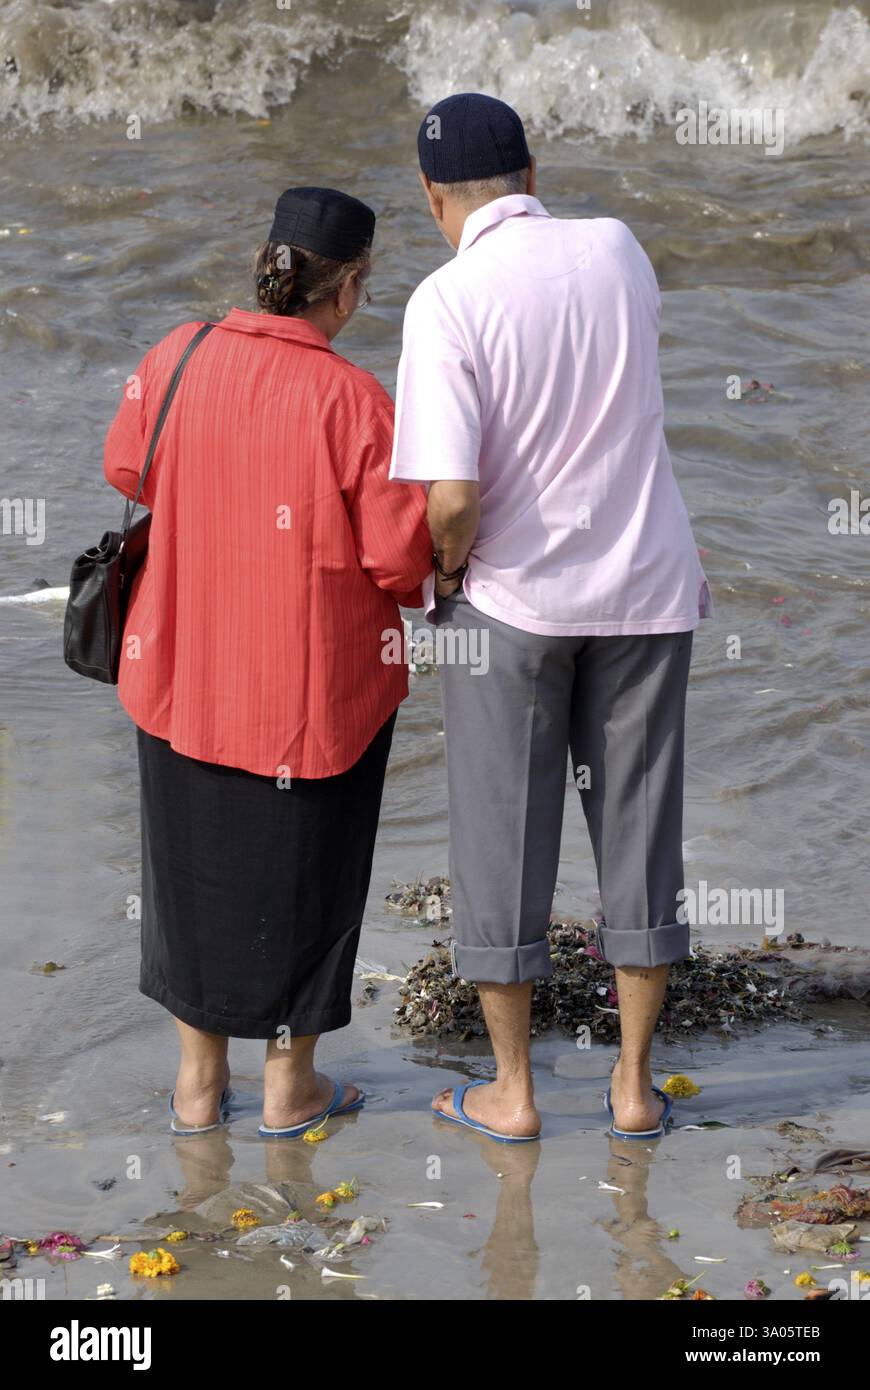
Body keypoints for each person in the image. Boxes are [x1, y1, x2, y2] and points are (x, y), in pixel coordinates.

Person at [390, 94, 713, 1143]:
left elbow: (449, 497)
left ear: (435, 198)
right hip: (646, 589)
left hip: (515, 604)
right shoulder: (619, 248)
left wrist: (447, 577)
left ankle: (515, 1091)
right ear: (533, 175)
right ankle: (631, 1086)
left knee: (502, 837)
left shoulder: (445, 299)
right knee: (640, 829)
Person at [104, 186, 431, 1136]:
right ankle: (291, 1092)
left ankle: (198, 1089)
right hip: (310, 693)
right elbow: (401, 560)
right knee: (310, 878)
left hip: (182, 668)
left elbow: (129, 465)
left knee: (190, 869)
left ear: (268, 262)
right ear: (351, 289)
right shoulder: (354, 400)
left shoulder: (178, 353)